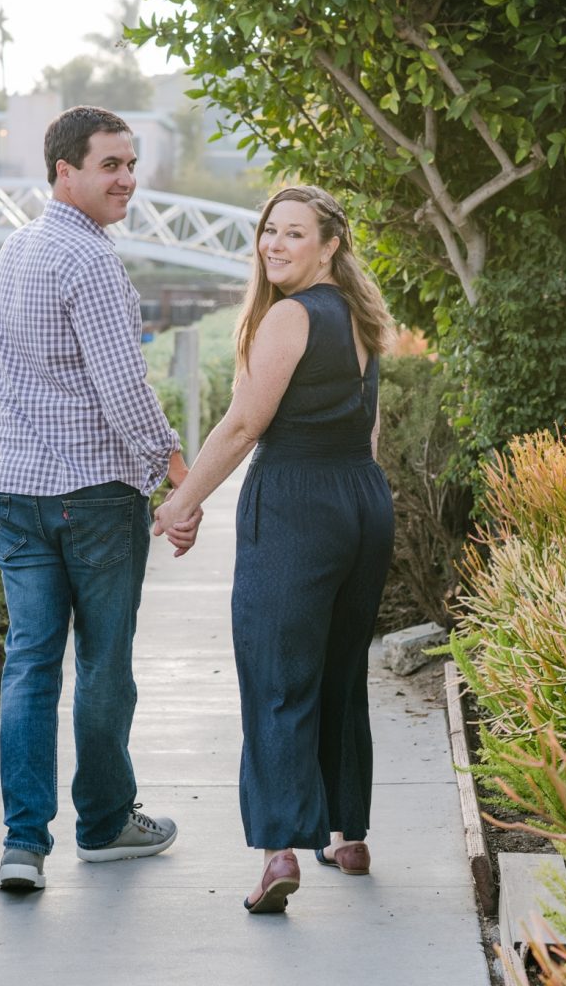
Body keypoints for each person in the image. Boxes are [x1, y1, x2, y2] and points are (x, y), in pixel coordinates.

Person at [152, 185, 395, 914]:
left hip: (295, 504)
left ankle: (279, 852)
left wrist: (181, 502)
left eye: (294, 234)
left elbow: (240, 427)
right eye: (268, 232)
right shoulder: (361, 317)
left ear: (329, 246)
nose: (274, 245)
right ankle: (347, 835)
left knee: (276, 675)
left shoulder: (288, 316)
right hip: (361, 500)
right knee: (340, 668)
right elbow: (372, 432)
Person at [0, 105, 202, 892]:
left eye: (132, 163)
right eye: (111, 164)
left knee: (30, 665)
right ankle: (106, 824)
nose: (129, 180)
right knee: (104, 661)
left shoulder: (13, 251)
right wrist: (181, 474)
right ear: (63, 171)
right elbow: (123, 389)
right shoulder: (93, 262)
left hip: (13, 489)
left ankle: (22, 845)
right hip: (92, 497)